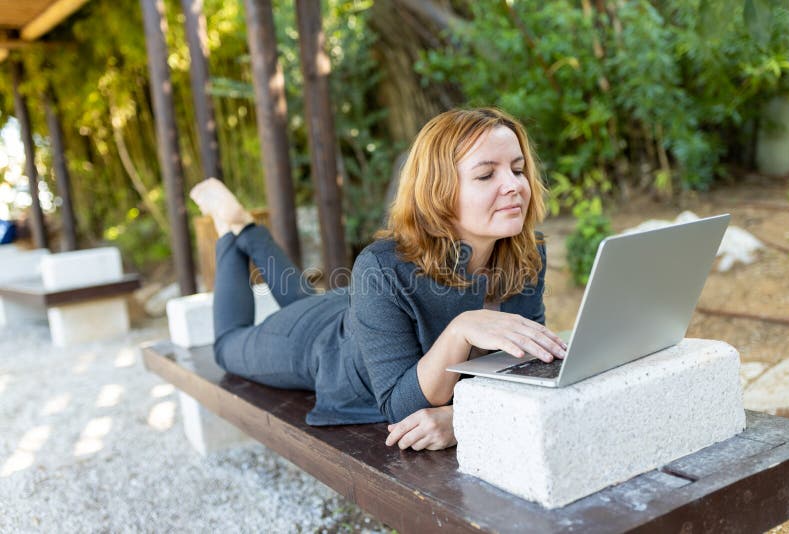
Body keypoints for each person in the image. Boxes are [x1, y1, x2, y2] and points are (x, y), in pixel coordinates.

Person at [190, 107, 567, 452]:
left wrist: (463, 418)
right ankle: (232, 229)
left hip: (363, 307)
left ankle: (248, 230)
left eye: (517, 169)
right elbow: (399, 406)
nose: (514, 185)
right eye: (486, 174)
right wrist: (460, 329)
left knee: (306, 298)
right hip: (325, 346)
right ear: (438, 192)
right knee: (225, 347)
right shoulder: (383, 265)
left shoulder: (526, 251)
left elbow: (528, 367)